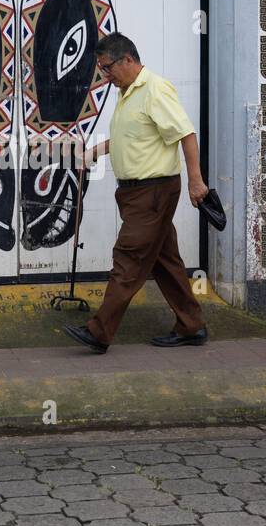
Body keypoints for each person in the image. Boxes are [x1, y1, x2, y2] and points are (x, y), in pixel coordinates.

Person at [63, 32, 209, 353]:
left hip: (153, 192)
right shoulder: (127, 91)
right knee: (163, 260)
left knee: (128, 258)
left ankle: (99, 332)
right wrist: (96, 152)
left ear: (127, 59)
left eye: (107, 67)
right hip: (135, 194)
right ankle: (191, 325)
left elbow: (186, 134)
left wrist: (196, 181)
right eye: (101, 69)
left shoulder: (155, 90)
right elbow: (134, 137)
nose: (105, 75)